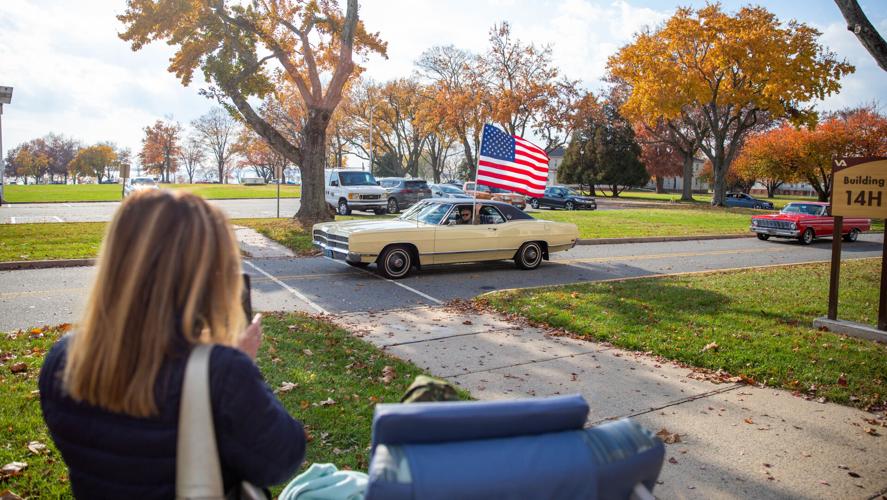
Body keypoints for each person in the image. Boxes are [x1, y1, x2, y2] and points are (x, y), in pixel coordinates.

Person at [39, 190, 306, 499]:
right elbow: (283, 461)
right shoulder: (223, 372)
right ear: (204, 273)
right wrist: (240, 364)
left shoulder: (64, 359)